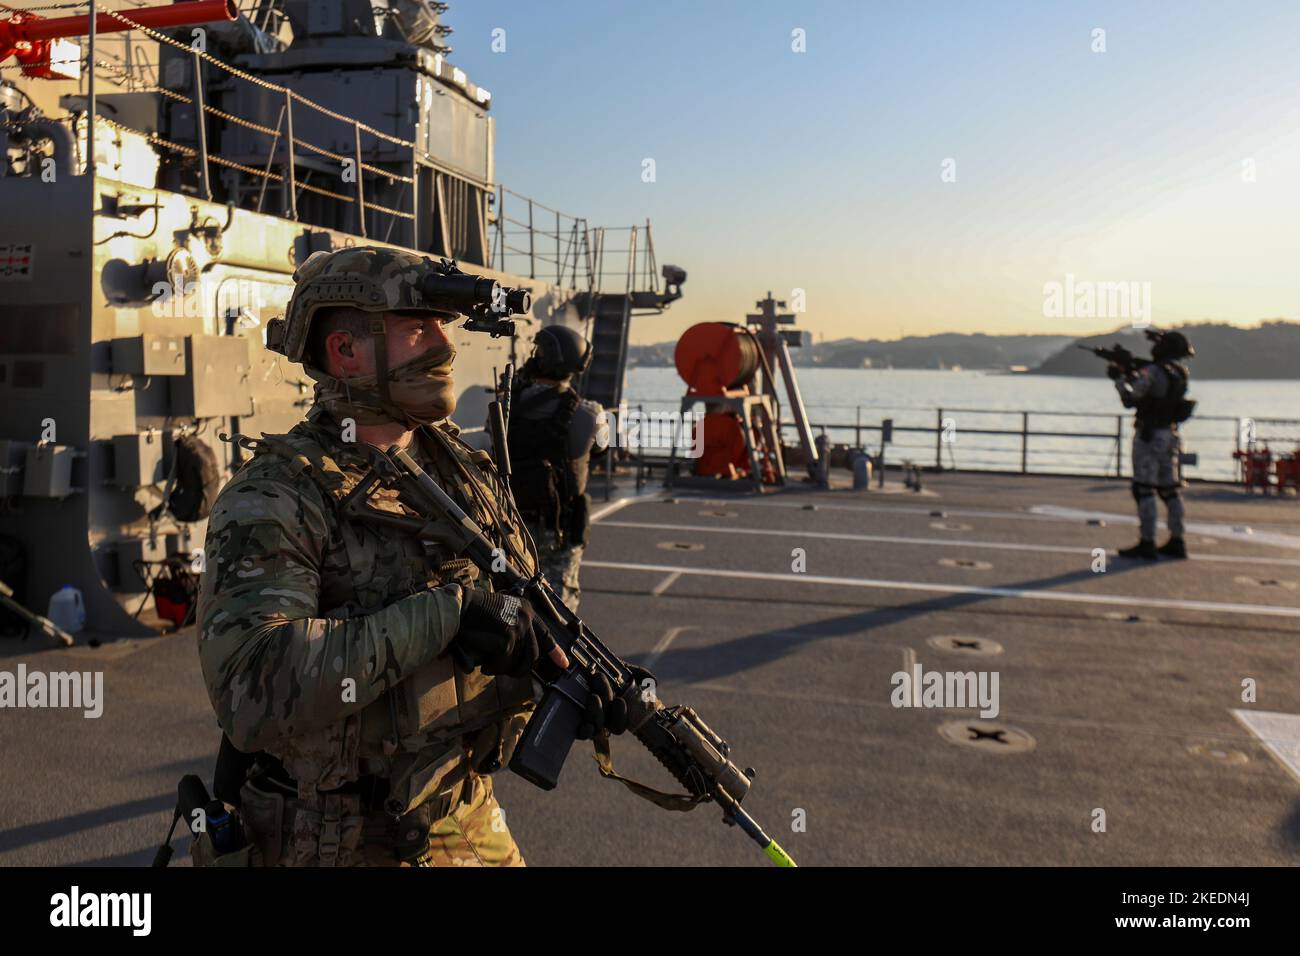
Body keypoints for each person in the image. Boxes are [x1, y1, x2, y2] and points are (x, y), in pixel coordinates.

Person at [195, 247, 621, 867]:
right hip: (337, 838)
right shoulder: (277, 494)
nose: (443, 347)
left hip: (465, 813)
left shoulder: (460, 469)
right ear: (345, 352)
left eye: (443, 325)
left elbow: (518, 603)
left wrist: (564, 675)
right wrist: (446, 615)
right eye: (418, 327)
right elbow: (250, 689)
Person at [506, 325, 608, 611]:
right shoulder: (591, 414)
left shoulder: (506, 407)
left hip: (512, 523)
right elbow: (601, 449)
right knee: (559, 609)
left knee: (513, 599)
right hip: (558, 527)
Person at [1112, 329, 1195, 561]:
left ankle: (1147, 542)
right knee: (1169, 489)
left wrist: (1119, 379)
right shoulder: (1180, 372)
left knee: (1143, 488)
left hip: (1149, 436)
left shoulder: (1153, 371)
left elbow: (1131, 399)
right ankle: (1177, 540)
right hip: (1170, 435)